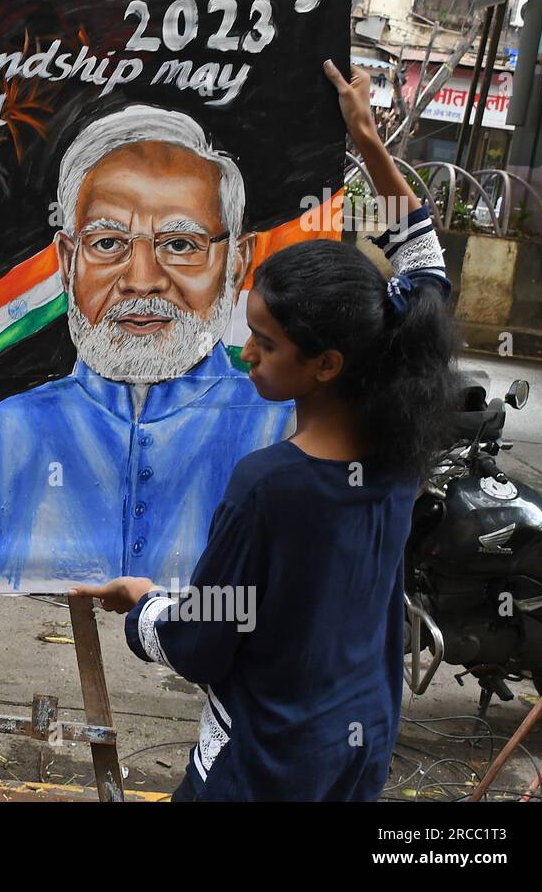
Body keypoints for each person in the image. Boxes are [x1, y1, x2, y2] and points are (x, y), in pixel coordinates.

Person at [72, 59, 457, 801]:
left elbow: (202, 639)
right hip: (357, 747)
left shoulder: (272, 486)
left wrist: (144, 602)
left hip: (265, 767)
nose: (245, 353)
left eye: (267, 343)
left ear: (325, 362)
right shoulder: (399, 440)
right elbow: (423, 257)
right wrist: (369, 142)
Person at [0, 105, 294, 592]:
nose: (141, 280)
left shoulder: (282, 428)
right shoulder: (3, 435)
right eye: (109, 243)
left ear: (237, 264)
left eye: (179, 245)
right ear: (68, 261)